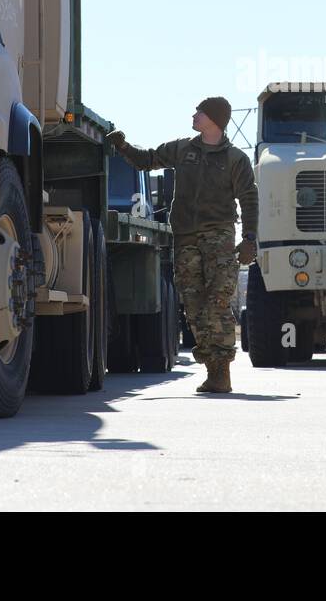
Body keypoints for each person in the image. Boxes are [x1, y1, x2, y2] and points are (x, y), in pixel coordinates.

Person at [106, 97, 257, 393]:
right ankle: (212, 368)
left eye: (199, 112)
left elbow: (249, 198)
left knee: (217, 302)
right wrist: (123, 147)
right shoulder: (182, 148)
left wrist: (249, 238)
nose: (194, 115)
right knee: (193, 305)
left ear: (214, 119)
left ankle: (221, 370)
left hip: (219, 237)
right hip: (186, 238)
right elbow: (147, 159)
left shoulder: (235, 159)